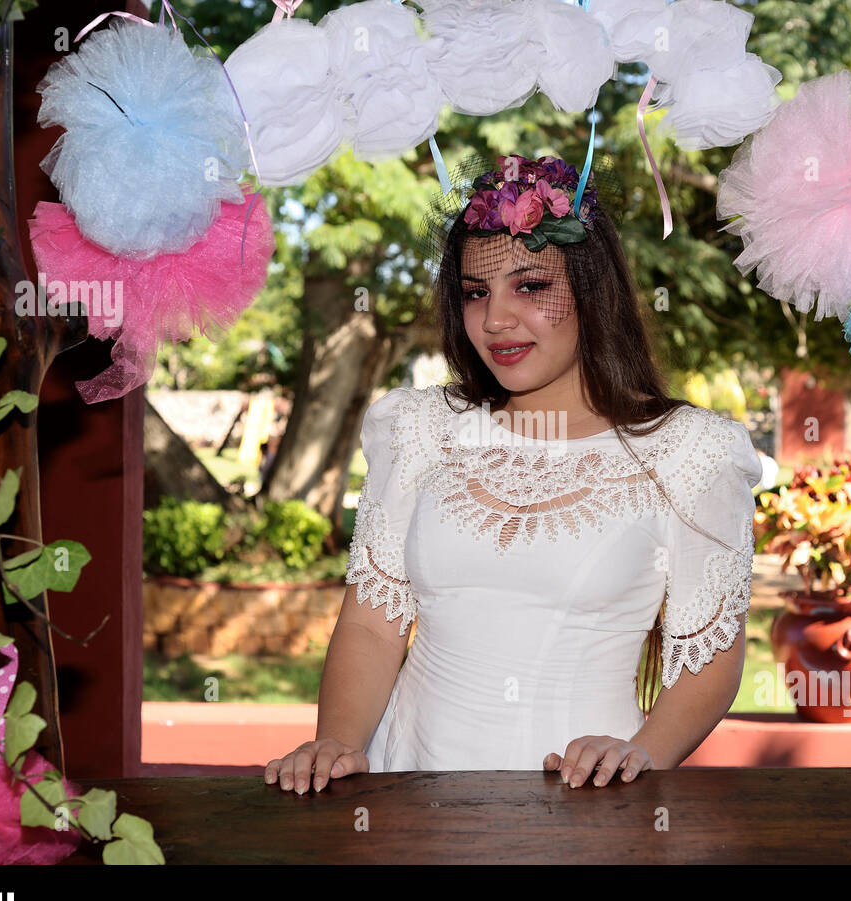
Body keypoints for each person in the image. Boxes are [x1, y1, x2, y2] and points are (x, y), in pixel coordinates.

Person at [264, 152, 762, 794]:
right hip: (403, 793)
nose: (495, 319)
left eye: (530, 287)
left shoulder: (691, 450)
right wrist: (336, 742)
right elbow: (371, 620)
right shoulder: (418, 428)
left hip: (588, 806)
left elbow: (708, 656)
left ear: (592, 292)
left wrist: (642, 753)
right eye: (475, 293)